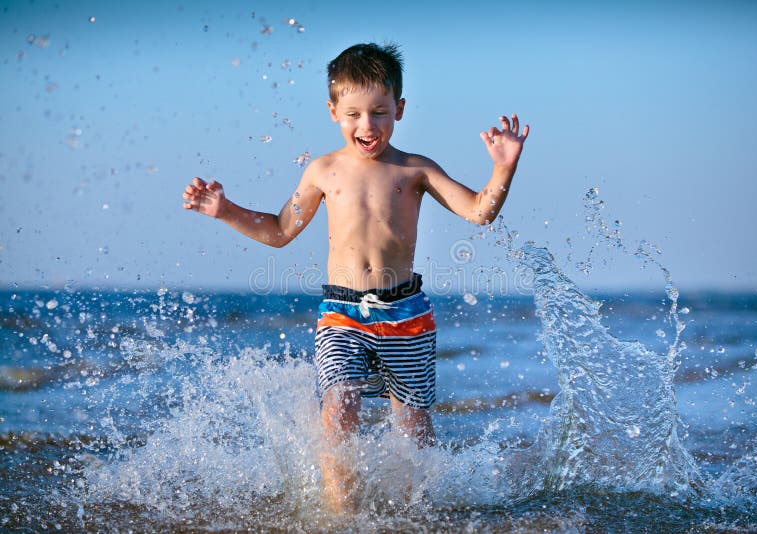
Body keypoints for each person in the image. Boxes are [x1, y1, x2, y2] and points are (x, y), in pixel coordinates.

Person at [182, 42, 529, 513]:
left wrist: (503, 167)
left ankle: (413, 516)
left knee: (414, 427)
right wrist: (224, 210)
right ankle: (341, 516)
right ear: (333, 111)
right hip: (342, 314)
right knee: (339, 411)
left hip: (406, 315)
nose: (367, 126)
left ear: (399, 110)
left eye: (379, 113)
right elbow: (281, 230)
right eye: (354, 114)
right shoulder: (324, 171)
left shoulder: (416, 170)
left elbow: (479, 211)